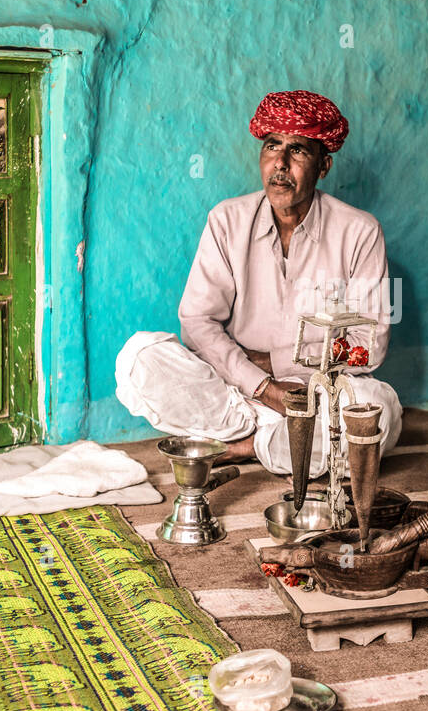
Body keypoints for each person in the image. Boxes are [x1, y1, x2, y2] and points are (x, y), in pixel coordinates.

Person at [116, 90, 401, 476]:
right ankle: (278, 442)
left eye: (298, 151)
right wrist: (264, 386)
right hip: (236, 394)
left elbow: (369, 347)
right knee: (140, 357)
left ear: (324, 165)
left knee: (380, 413)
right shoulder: (227, 220)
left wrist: (278, 362)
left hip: (317, 397)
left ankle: (248, 448)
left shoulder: (361, 232)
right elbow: (197, 323)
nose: (280, 164)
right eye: (272, 147)